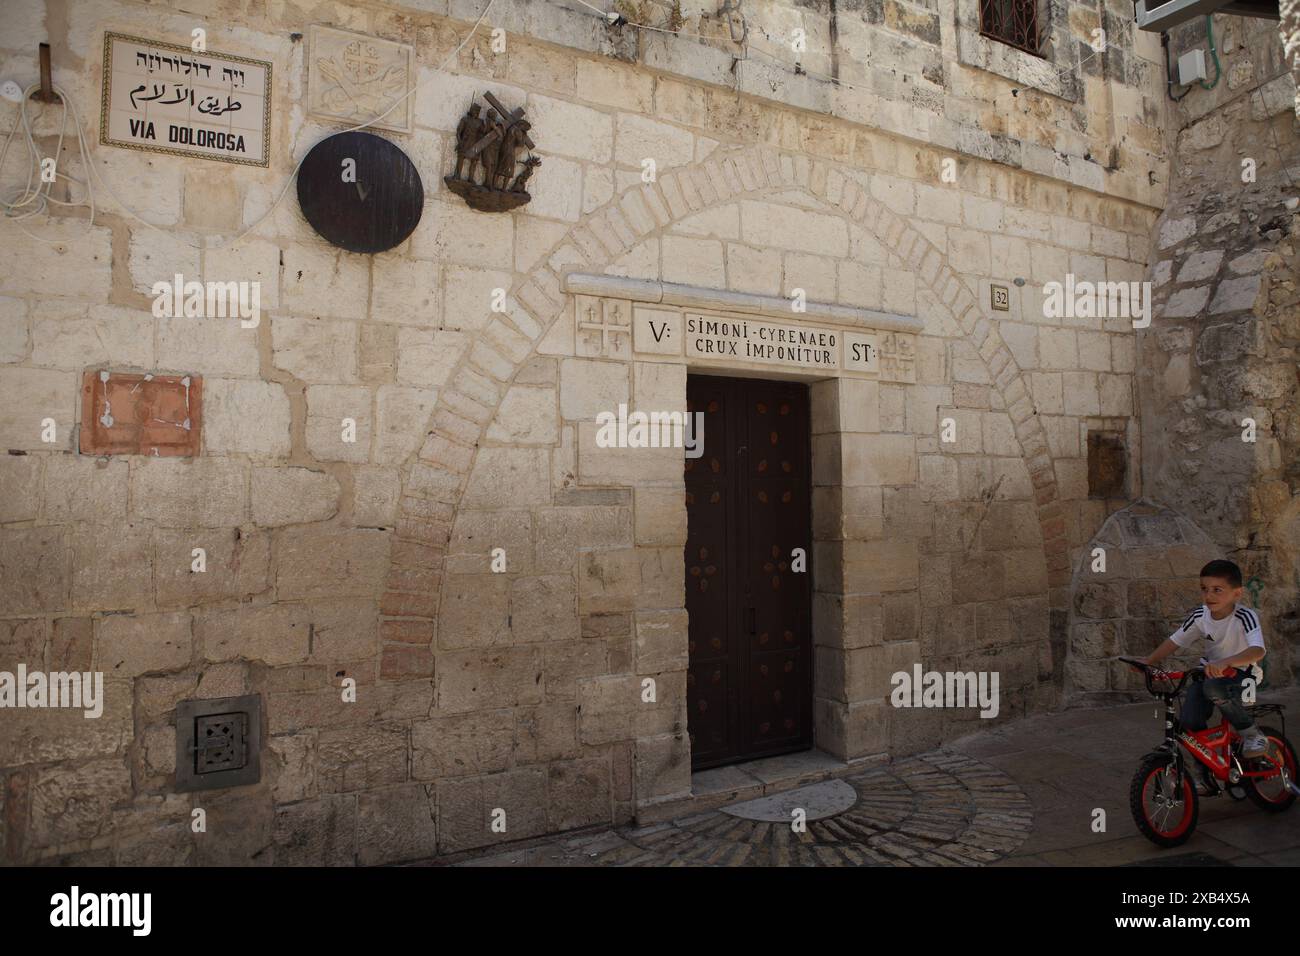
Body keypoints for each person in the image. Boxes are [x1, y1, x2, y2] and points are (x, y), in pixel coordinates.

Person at [1143, 559, 1269, 758]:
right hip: (1210, 675)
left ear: (1237, 593)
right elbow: (1175, 640)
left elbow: (1257, 650)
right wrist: (1148, 662)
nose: (1209, 595)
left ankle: (1252, 734)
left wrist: (1226, 662)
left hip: (1244, 677)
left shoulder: (1245, 616)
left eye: (1217, 590)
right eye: (1204, 589)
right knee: (1188, 724)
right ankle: (1205, 772)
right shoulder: (1200, 616)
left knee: (1213, 688)